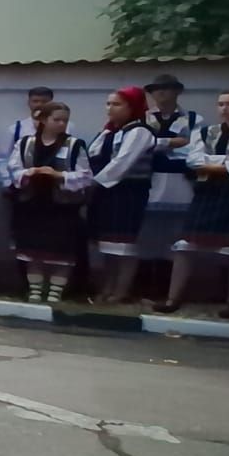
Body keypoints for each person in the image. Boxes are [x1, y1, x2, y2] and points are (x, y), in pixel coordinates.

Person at [156, 89, 229, 318]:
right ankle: (173, 298)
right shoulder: (208, 132)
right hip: (209, 194)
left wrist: (219, 166)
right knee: (186, 245)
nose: (224, 109)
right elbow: (194, 159)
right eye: (221, 104)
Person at [5, 102, 91, 302]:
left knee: (61, 251)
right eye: (56, 119)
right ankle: (35, 290)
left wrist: (59, 175)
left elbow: (86, 175)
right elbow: (13, 168)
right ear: (43, 120)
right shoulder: (26, 143)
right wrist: (29, 173)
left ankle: (55, 292)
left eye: (65, 120)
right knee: (33, 250)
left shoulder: (74, 145)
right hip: (32, 203)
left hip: (62, 206)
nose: (61, 124)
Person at [86, 87, 156, 304]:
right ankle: (108, 285)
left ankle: (121, 289)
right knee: (108, 244)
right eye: (108, 104)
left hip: (127, 192)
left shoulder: (139, 131)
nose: (110, 109)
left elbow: (122, 163)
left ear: (132, 107)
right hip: (106, 192)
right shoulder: (108, 132)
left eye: (116, 104)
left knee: (123, 243)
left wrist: (94, 183)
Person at [139, 74, 202, 273]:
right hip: (149, 179)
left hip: (180, 182)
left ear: (177, 91)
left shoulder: (193, 119)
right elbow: (139, 146)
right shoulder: (142, 117)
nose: (160, 92)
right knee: (147, 231)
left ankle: (168, 276)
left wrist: (157, 145)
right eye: (156, 89)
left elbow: (193, 149)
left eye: (166, 88)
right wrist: (170, 142)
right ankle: (145, 276)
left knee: (177, 232)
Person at [6, 86, 54, 153]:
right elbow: (5, 156)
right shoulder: (15, 129)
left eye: (44, 101)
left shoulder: (64, 127)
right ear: (29, 103)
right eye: (35, 101)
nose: (39, 105)